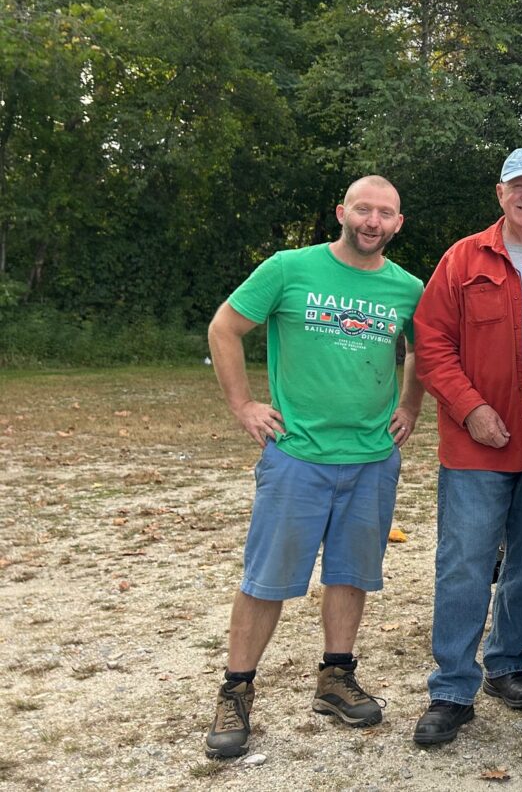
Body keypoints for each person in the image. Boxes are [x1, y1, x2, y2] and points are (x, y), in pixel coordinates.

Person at [203, 175, 424, 759]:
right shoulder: (288, 268)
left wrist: (409, 406)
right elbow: (225, 327)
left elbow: (423, 351)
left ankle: (335, 678)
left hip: (372, 458)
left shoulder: (408, 288)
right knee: (267, 578)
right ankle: (236, 691)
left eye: (385, 213)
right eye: (363, 209)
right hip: (297, 455)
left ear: (398, 223)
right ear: (341, 212)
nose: (373, 221)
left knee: (351, 574)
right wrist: (242, 405)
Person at [409, 147, 522, 745]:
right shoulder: (463, 258)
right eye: (517, 186)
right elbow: (431, 343)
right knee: (465, 562)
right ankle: (451, 689)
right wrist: (471, 408)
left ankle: (506, 663)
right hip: (479, 437)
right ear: (500, 194)